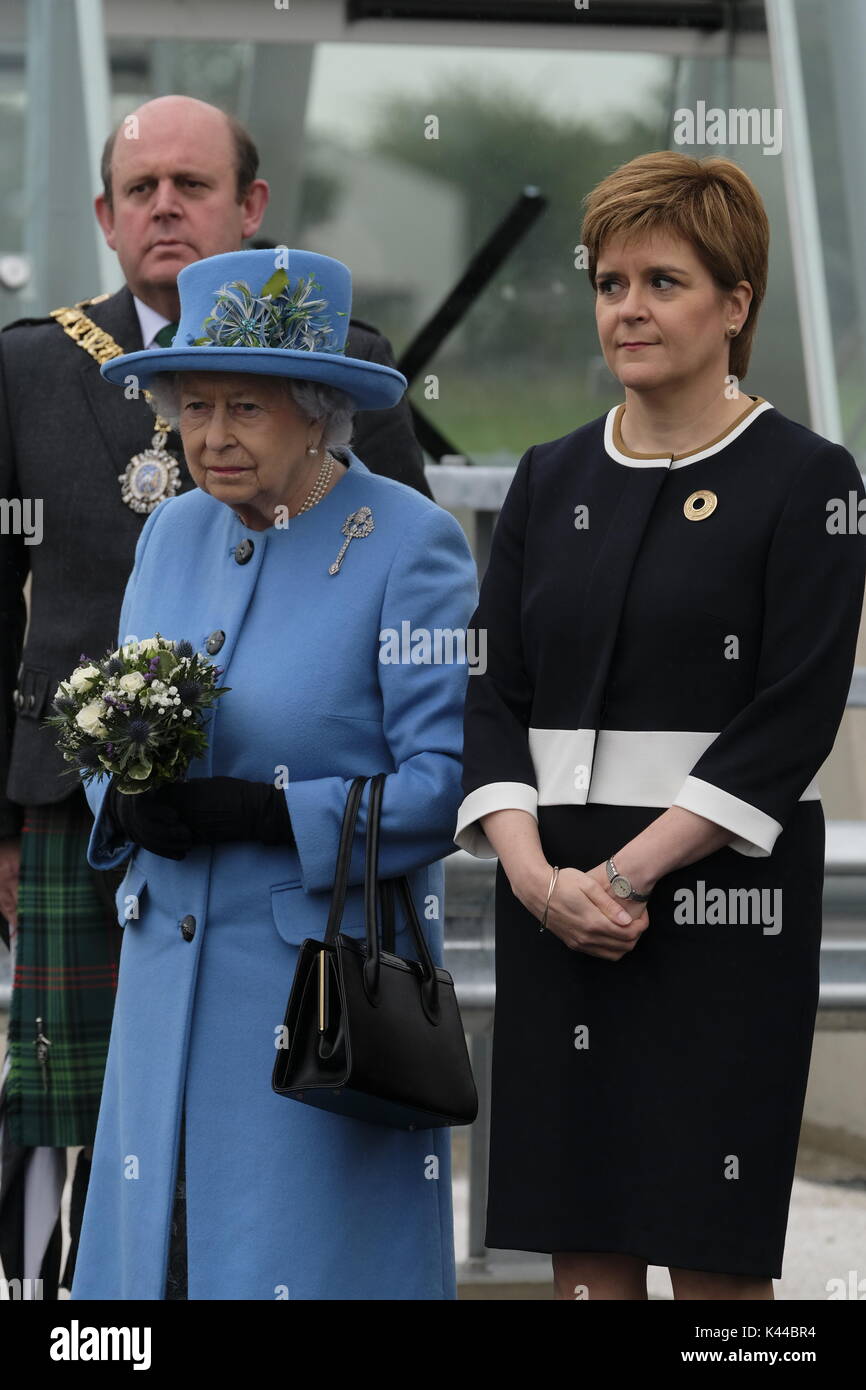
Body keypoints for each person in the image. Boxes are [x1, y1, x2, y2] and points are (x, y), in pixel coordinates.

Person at [0, 94, 429, 1296]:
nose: (165, 208)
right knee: (63, 1123)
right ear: (104, 214)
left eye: (192, 185)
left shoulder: (358, 397)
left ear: (250, 206)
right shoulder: (33, 363)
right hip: (91, 834)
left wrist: (265, 809)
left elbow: (388, 560)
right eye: (141, 190)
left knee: (252, 1180)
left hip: (288, 885)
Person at [455, 151, 866, 1301]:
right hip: (555, 903)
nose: (625, 308)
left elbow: (790, 713)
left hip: (717, 911)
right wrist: (539, 881)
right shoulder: (545, 477)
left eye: (662, 281)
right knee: (579, 1253)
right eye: (608, 282)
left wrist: (623, 880)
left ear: (734, 305)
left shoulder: (808, 478)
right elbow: (492, 692)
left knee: (713, 1259)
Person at [69, 245, 476, 1300]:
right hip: (163, 984)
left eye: (244, 408)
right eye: (193, 406)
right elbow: (112, 717)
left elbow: (442, 785)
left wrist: (266, 812)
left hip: (317, 1003)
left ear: (316, 410)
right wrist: (122, 799)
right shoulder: (172, 530)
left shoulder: (408, 544)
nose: (211, 437)